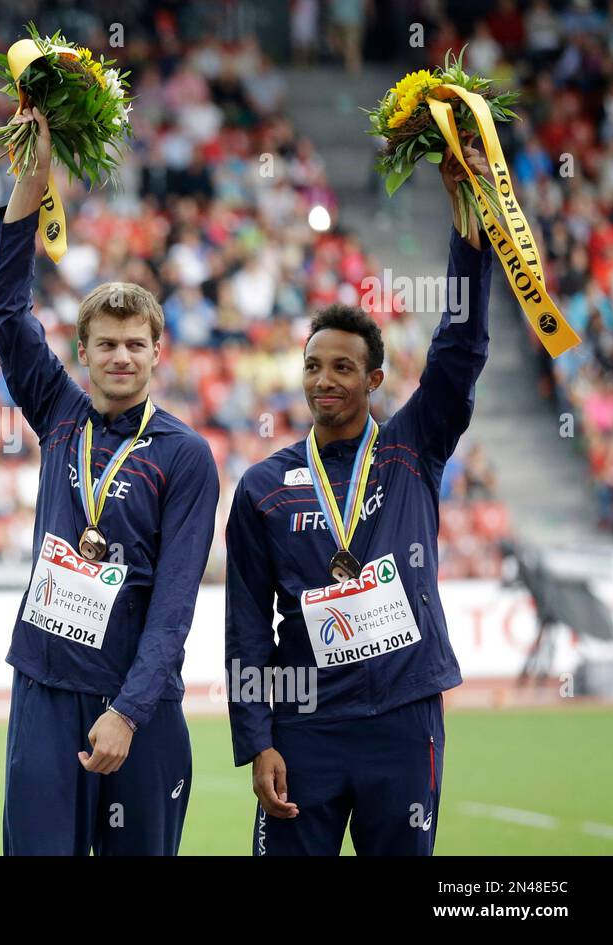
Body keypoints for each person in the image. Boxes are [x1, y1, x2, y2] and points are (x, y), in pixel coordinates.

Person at [224, 142, 494, 855]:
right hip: (303, 724)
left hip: (401, 720)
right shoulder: (262, 486)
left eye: (343, 366)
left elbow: (460, 349)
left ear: (374, 379)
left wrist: (469, 218)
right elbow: (247, 625)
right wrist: (257, 739)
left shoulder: (410, 449)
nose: (324, 379)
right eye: (313, 365)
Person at [0, 108, 220, 856]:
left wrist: (128, 708)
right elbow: (5, 309)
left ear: (159, 350)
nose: (120, 357)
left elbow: (176, 600)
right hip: (47, 690)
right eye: (105, 345)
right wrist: (34, 174)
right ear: (81, 352)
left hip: (137, 703)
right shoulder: (58, 411)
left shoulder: (184, 455)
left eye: (134, 344)